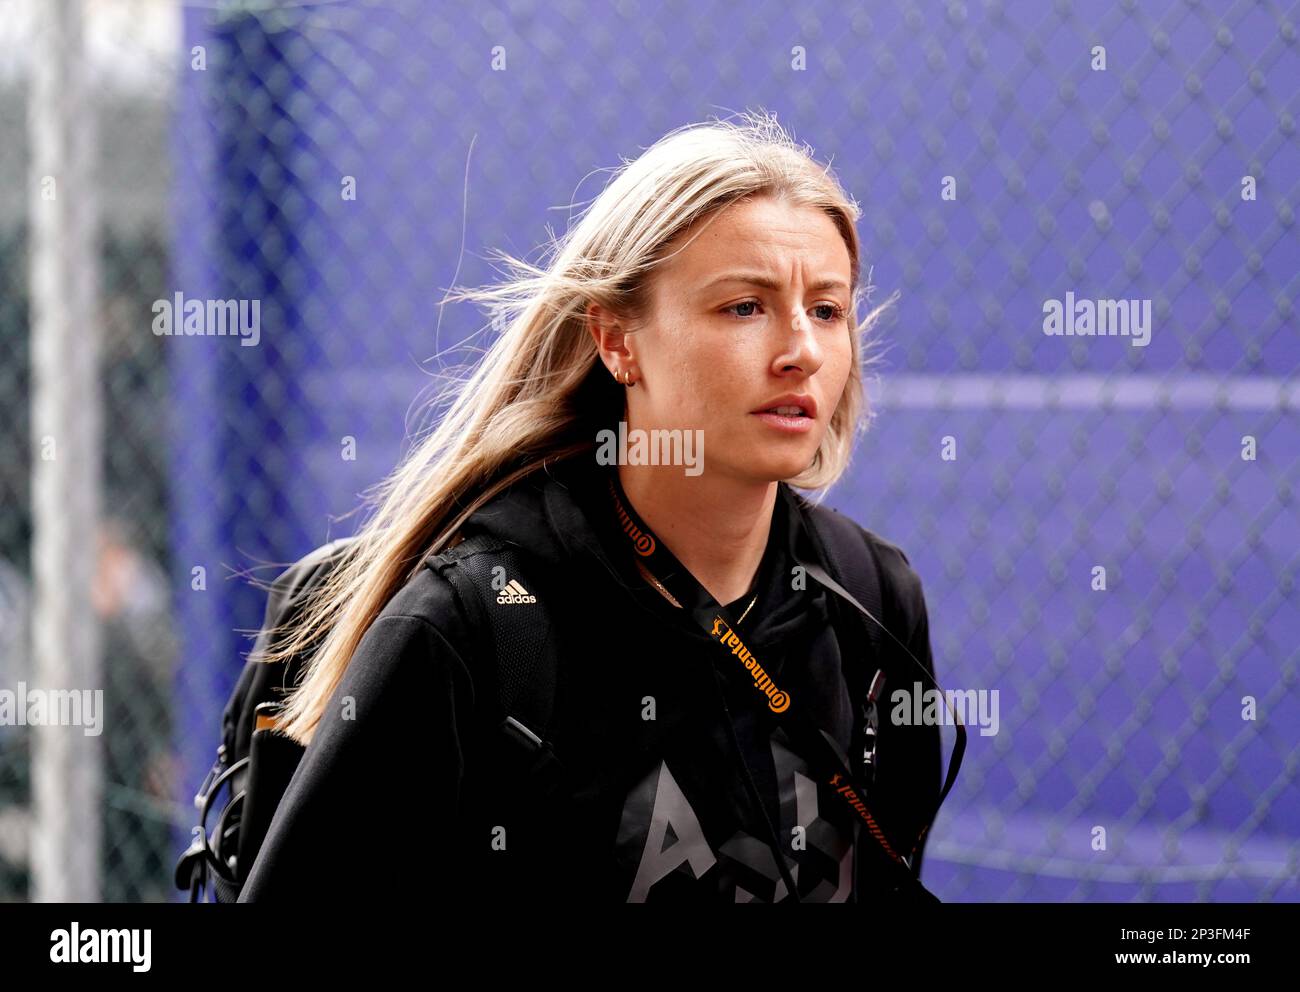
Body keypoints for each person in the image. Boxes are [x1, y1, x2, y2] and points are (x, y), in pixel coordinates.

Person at [239, 111, 943, 903]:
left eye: (827, 308)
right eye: (744, 307)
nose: (801, 350)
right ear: (616, 341)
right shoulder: (476, 628)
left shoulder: (870, 600)